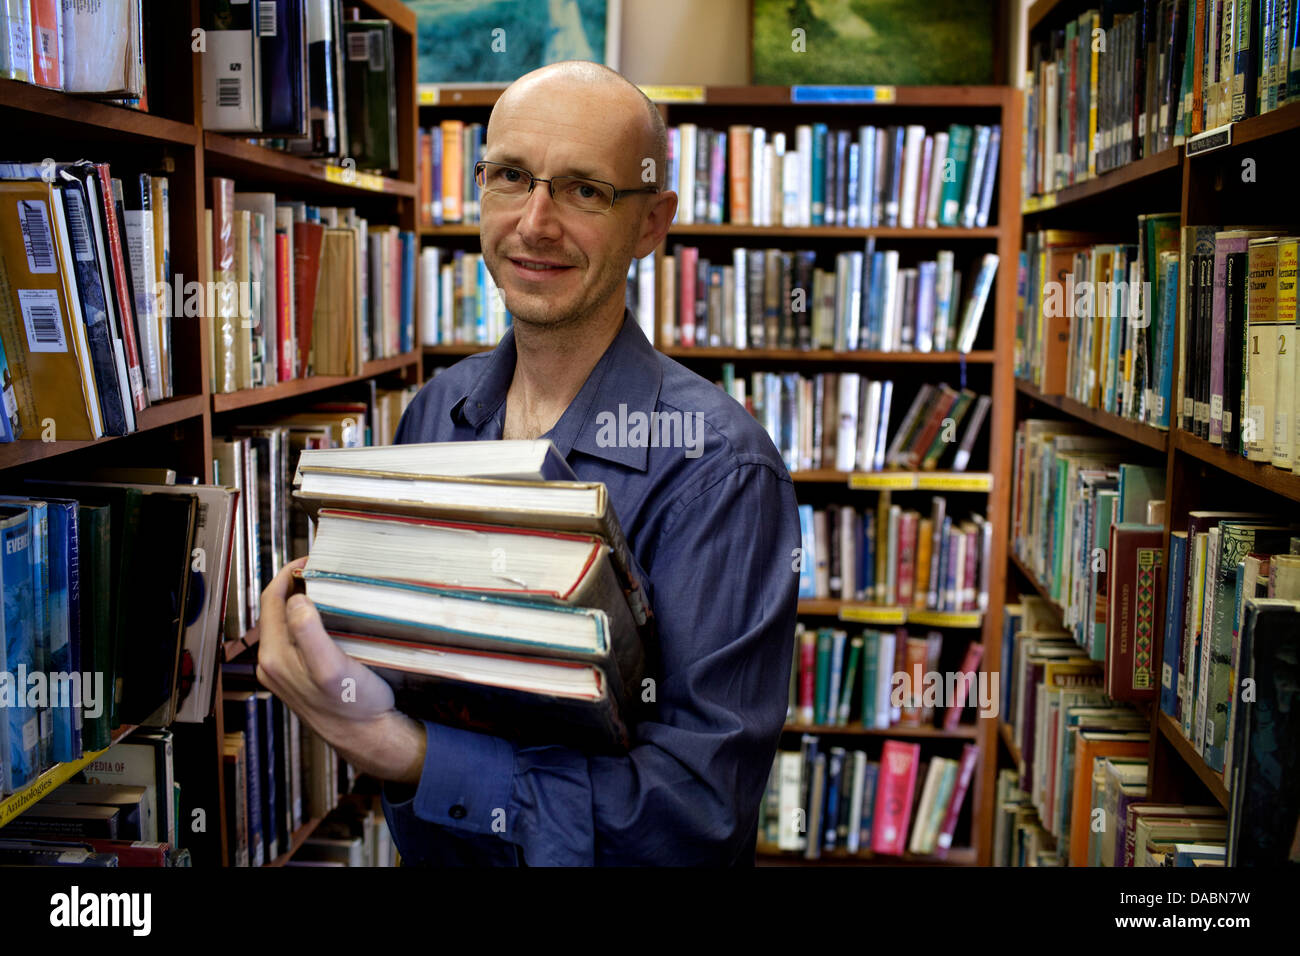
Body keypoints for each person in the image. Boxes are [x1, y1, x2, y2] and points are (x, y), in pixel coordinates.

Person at [257, 60, 801, 865]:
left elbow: (696, 815)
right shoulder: (436, 415)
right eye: (511, 176)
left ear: (652, 224)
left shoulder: (721, 470)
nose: (535, 222)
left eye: (584, 190)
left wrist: (410, 755)